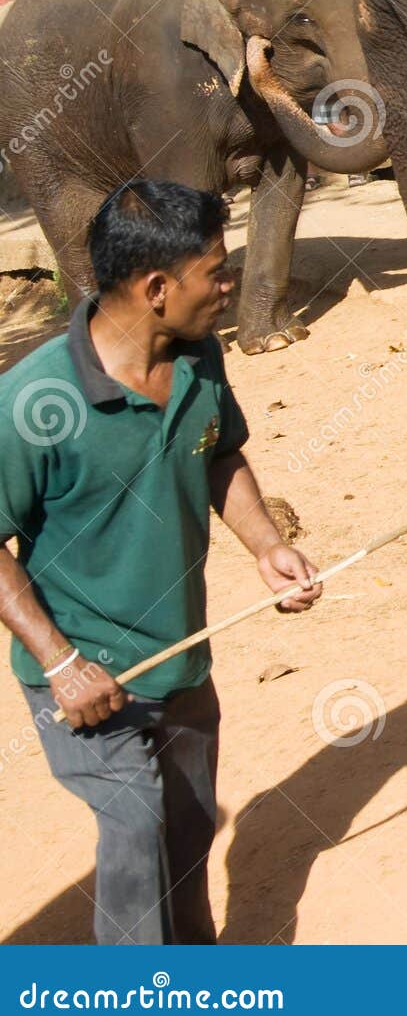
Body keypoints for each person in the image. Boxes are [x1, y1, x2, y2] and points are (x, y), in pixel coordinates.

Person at [0, 180, 323, 945]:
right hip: (86, 676)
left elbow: (219, 453)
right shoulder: (32, 402)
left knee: (184, 834)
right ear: (154, 288)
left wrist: (267, 545)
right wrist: (60, 660)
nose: (227, 282)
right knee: (137, 834)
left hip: (181, 663)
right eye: (214, 270)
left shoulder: (199, 355)